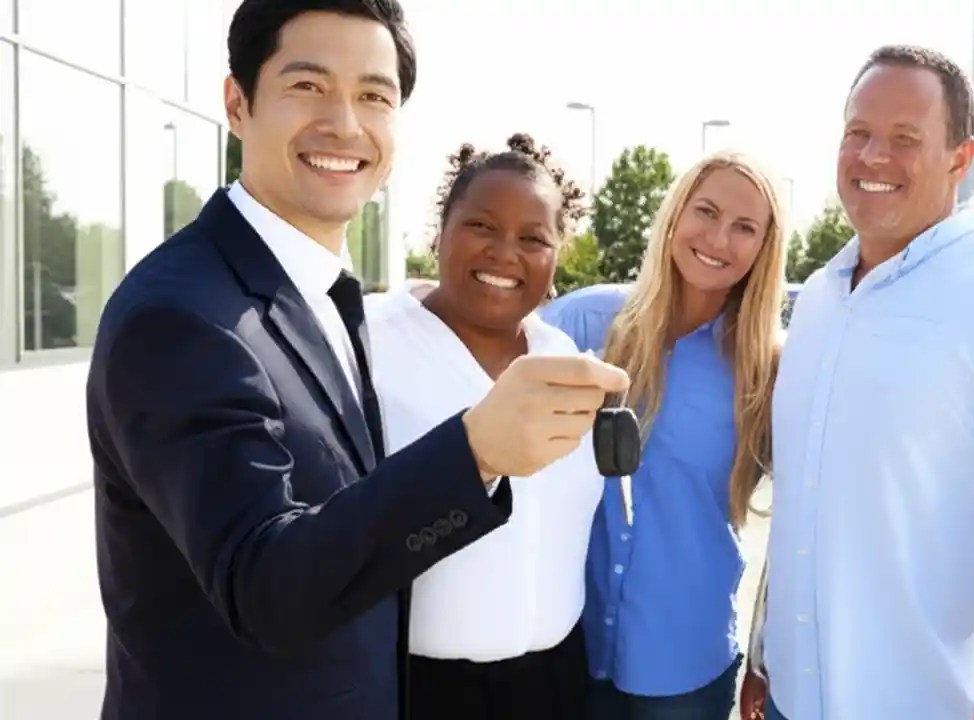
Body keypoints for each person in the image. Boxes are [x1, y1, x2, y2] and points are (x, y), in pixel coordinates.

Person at [85, 3, 626, 719]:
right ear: (237, 104)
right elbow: (266, 586)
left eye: (374, 96)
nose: (345, 124)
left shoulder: (323, 300)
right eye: (308, 85)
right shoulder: (182, 316)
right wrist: (476, 451)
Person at [740, 45, 974, 720]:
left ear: (960, 160)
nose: (873, 157)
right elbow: (807, 499)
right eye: (859, 133)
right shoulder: (819, 299)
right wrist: (766, 653)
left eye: (905, 138)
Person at [542, 150, 788, 719]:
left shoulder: (767, 371)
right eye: (705, 211)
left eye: (744, 227)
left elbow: (803, 528)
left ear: (764, 248)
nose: (719, 238)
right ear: (675, 215)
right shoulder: (583, 324)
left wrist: (767, 650)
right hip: (565, 642)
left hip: (685, 663)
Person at [364, 134, 598, 719]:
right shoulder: (368, 342)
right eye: (482, 227)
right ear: (439, 233)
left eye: (533, 238)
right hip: (417, 688)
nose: (504, 252)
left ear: (556, 257)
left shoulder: (562, 356)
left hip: (553, 682)